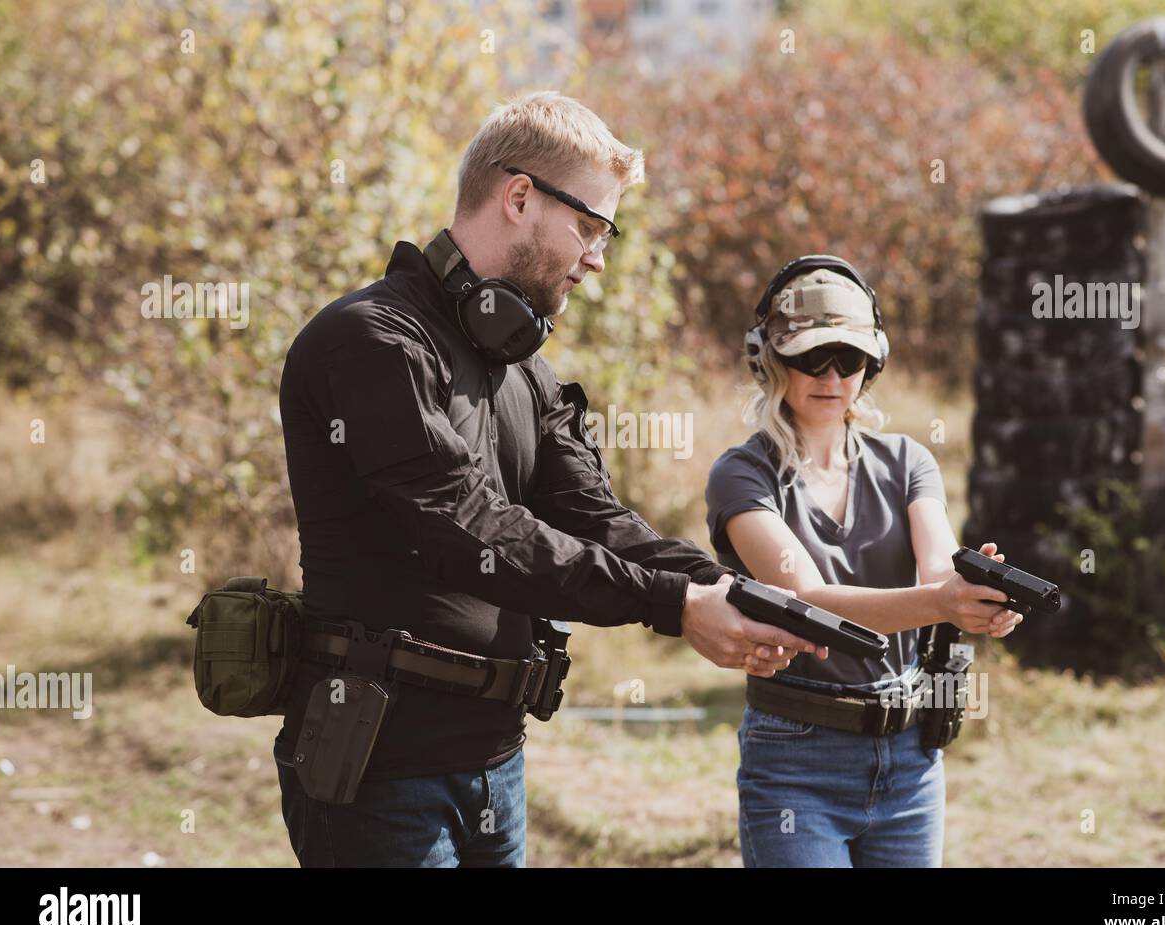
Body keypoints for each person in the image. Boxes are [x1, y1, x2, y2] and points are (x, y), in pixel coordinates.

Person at [273, 91, 822, 867]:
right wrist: (674, 605)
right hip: (376, 767)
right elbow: (467, 529)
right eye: (591, 227)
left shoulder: (522, 361)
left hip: (496, 761)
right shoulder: (370, 340)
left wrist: (724, 591)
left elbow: (593, 515)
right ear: (520, 196)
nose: (599, 256)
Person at [704, 257, 1022, 867]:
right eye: (809, 357)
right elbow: (806, 603)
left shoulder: (908, 462)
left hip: (910, 757)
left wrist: (976, 600)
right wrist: (941, 602)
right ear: (771, 360)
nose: (830, 375)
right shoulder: (741, 474)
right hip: (796, 759)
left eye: (848, 359)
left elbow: (938, 571)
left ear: (870, 365)